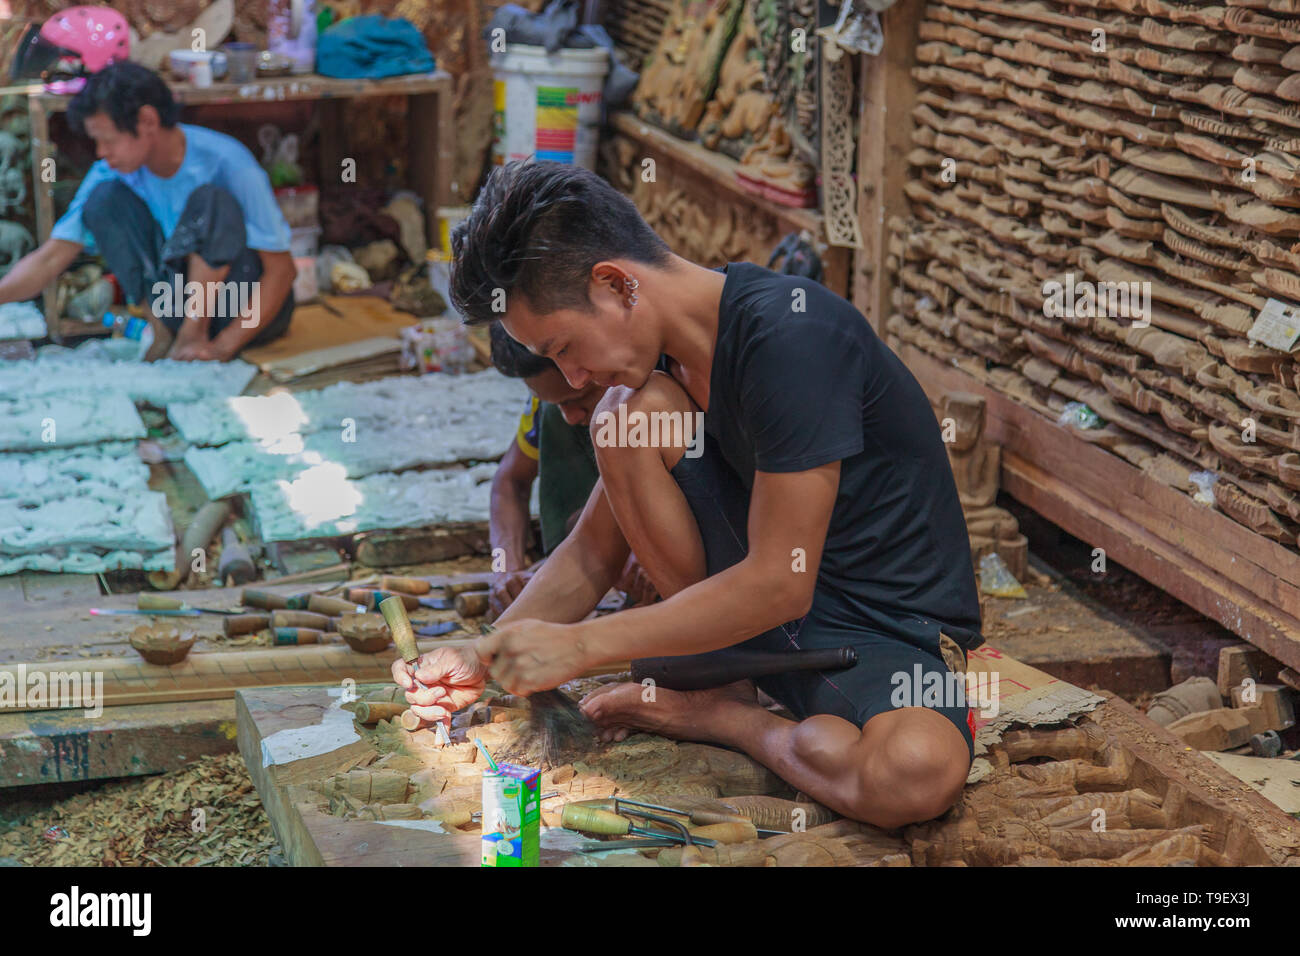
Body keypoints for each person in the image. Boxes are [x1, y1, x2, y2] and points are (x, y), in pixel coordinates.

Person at [393, 160, 984, 829]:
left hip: (881, 635)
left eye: (563, 348)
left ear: (617, 285)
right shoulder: (654, 371)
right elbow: (591, 554)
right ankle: (730, 677)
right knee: (624, 416)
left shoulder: (792, 338)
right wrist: (484, 650)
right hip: (759, 633)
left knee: (915, 770)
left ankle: (721, 715)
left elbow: (779, 583)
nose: (572, 377)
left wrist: (583, 647)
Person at [0, 63, 295, 360]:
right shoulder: (111, 172)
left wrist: (223, 347)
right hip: (176, 304)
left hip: (242, 307)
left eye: (109, 140)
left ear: (147, 121)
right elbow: (51, 257)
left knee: (211, 201)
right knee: (103, 201)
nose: (101, 152)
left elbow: (282, 272)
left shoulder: (228, 163)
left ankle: (193, 338)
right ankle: (163, 333)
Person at [487, 322, 656, 617]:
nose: (570, 416)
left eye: (578, 399)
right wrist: (504, 567)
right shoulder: (551, 403)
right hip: (590, 565)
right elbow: (509, 482)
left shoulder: (658, 393)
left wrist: (654, 548)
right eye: (556, 402)